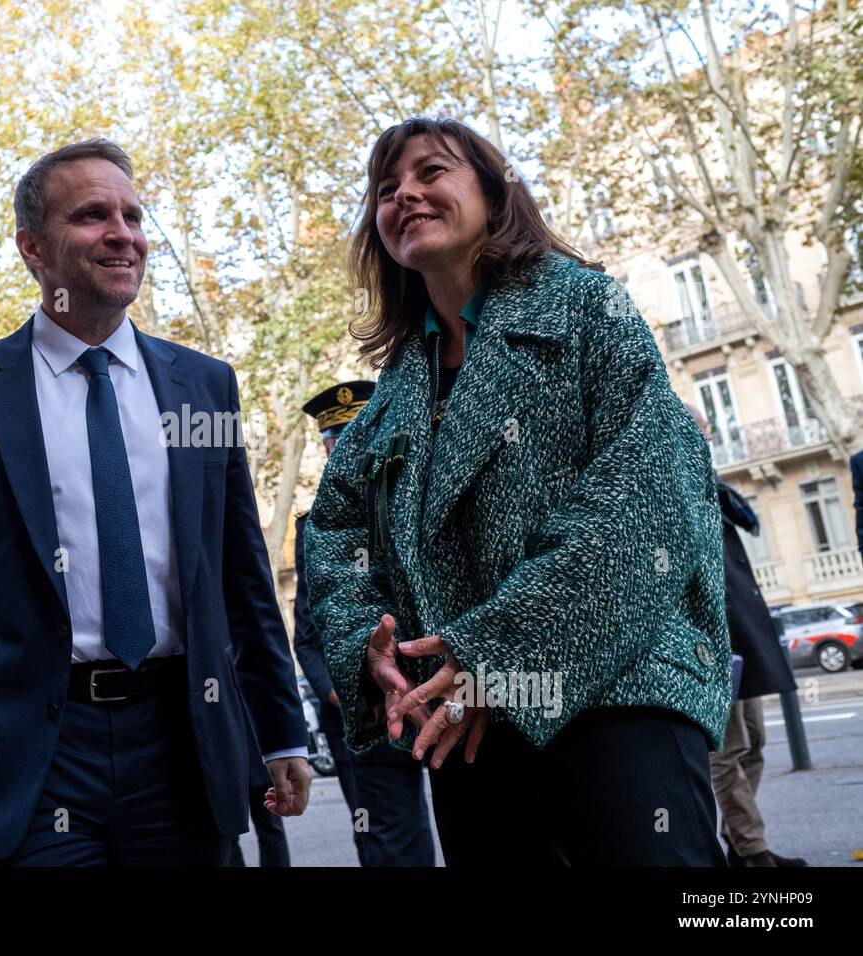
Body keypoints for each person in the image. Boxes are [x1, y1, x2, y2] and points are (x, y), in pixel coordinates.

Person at [305, 116, 730, 866]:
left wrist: (496, 657)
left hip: (615, 694)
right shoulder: (393, 392)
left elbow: (643, 510)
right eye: (386, 188)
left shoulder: (588, 310)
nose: (406, 193)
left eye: (431, 172)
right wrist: (366, 647)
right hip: (465, 731)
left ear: (496, 196)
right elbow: (336, 532)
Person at [0, 138, 311, 866]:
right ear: (33, 246)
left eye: (133, 215)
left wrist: (280, 729)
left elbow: (242, 577)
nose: (123, 234)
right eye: (92, 216)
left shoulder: (202, 387)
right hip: (33, 757)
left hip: (183, 744)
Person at [294, 381, 437, 866]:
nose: (341, 452)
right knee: (388, 840)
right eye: (333, 442)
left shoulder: (420, 498)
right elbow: (308, 631)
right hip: (370, 705)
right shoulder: (314, 526)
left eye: (351, 437)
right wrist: (339, 686)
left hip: (443, 688)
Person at [685, 405, 807, 867]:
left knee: (754, 741)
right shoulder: (678, 482)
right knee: (729, 748)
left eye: (709, 432)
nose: (709, 441)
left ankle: (741, 840)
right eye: (702, 432)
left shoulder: (713, 488)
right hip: (719, 637)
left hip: (746, 631)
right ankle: (750, 850)